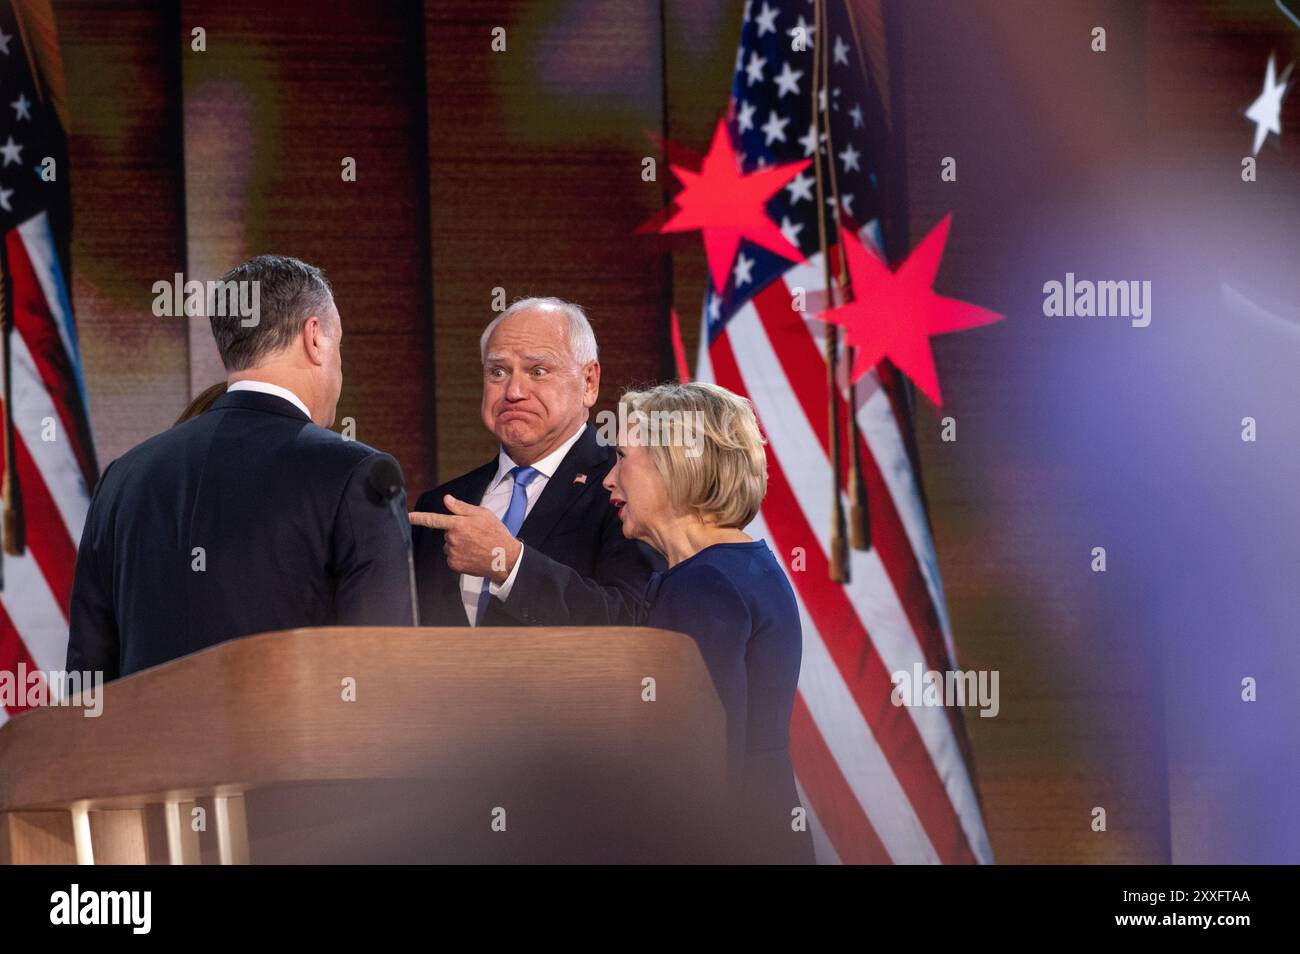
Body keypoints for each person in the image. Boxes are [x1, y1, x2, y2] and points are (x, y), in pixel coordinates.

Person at [68, 255, 414, 681]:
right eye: (339, 344)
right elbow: (382, 675)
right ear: (315, 338)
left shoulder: (121, 479)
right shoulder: (359, 472)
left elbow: (85, 685)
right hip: (287, 749)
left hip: (142, 748)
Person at [602, 381, 813, 863]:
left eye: (622, 458)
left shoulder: (704, 585)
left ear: (676, 461)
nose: (608, 480)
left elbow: (694, 766)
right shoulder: (743, 566)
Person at [408, 297, 662, 627]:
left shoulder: (628, 490)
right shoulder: (440, 505)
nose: (513, 391)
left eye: (538, 371)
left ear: (589, 382)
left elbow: (635, 623)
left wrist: (511, 565)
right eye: (497, 372)